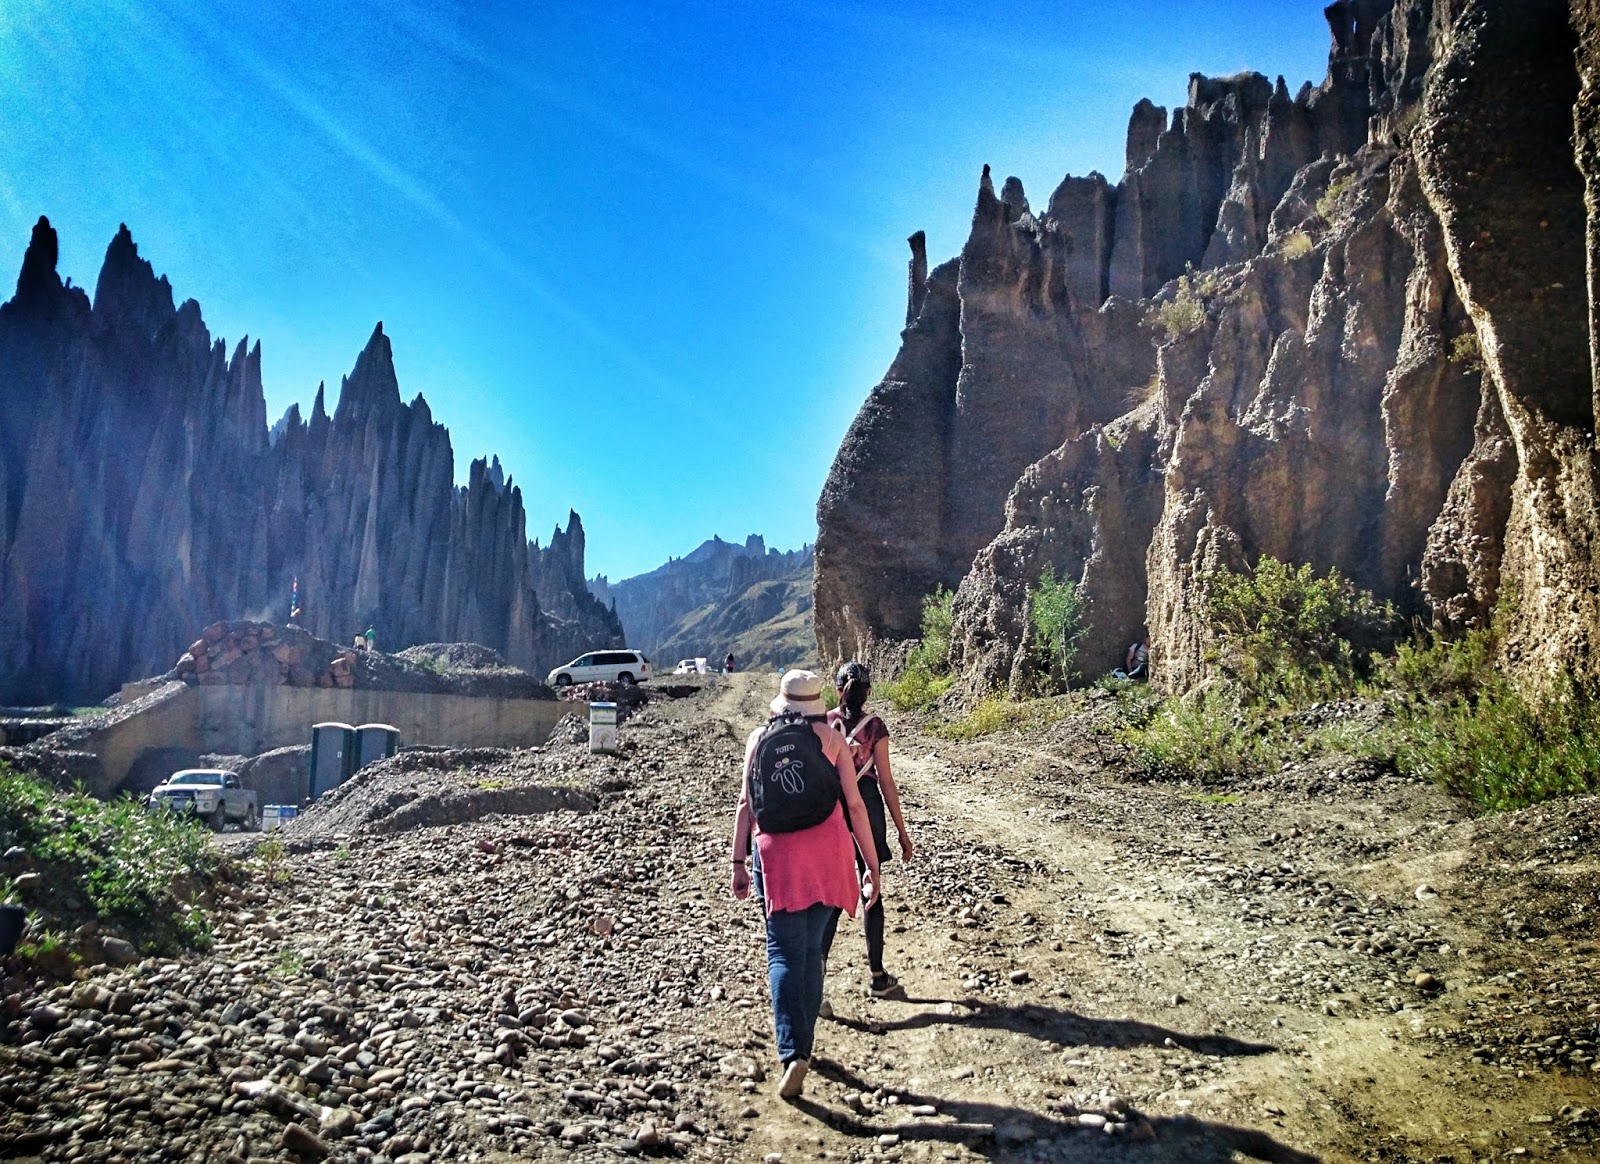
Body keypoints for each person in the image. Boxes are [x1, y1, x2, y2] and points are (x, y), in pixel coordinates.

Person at [731, 670, 880, 1100]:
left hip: (777, 856)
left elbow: (745, 805)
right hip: (830, 855)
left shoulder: (758, 738)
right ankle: (806, 1044)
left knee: (782, 951)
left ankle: (792, 1051)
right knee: (812, 951)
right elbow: (855, 805)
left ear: (782, 702)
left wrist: (738, 863)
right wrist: (871, 865)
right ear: (817, 703)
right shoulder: (833, 739)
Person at [827, 661, 914, 998]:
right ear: (869, 692)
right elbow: (887, 782)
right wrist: (902, 833)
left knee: (831, 892)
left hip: (834, 808)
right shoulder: (875, 727)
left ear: (838, 690)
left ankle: (816, 977)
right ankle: (877, 976)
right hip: (869, 806)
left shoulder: (825, 723)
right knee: (872, 888)